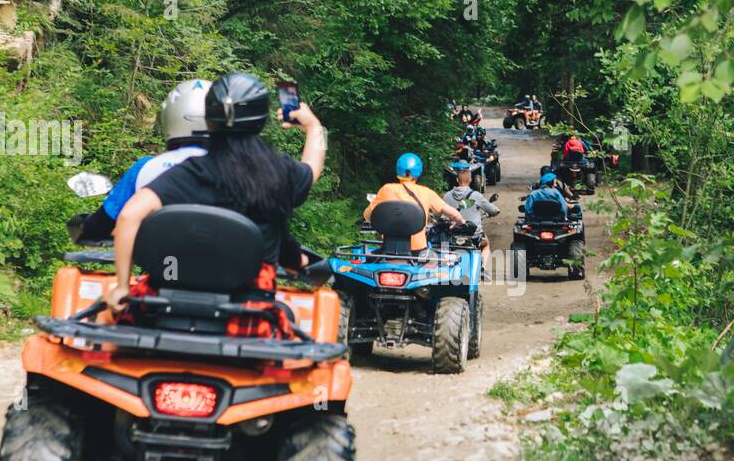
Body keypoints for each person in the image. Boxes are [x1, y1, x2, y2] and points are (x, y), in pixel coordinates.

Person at [101, 73, 327, 313]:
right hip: (249, 310)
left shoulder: (189, 172)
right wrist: (314, 127)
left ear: (208, 119)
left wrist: (122, 286)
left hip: (171, 303)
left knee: (107, 316)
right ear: (261, 121)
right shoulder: (281, 171)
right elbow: (313, 166)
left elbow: (128, 217)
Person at [70, 79, 211, 243]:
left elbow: (104, 224)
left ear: (170, 116)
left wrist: (85, 226)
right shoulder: (239, 169)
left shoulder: (145, 168)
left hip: (163, 266)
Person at [363, 152, 463, 253]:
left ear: (398, 170)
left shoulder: (386, 189)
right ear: (418, 171)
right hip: (417, 251)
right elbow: (452, 213)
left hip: (389, 251)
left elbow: (367, 216)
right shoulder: (426, 192)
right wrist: (460, 221)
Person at [443, 161, 499, 250]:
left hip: (453, 236)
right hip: (474, 236)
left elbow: (441, 216)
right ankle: (483, 264)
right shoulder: (476, 195)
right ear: (470, 179)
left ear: (457, 180)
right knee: (486, 244)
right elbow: (494, 210)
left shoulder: (447, 196)